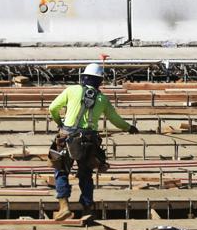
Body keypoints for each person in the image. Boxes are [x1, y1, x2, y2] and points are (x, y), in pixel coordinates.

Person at [47, 63, 138, 221]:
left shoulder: (72, 90)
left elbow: (53, 108)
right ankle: (87, 210)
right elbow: (115, 120)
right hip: (89, 141)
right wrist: (129, 128)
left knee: (61, 171)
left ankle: (64, 206)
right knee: (86, 175)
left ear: (84, 77)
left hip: (67, 137)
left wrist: (59, 122)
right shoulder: (102, 99)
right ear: (100, 81)